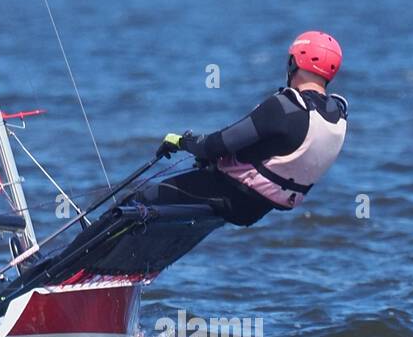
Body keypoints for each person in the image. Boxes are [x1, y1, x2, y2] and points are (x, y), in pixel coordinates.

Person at [145, 31, 349, 226]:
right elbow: (279, 148)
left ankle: (117, 258)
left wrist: (181, 141)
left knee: (143, 199)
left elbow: (215, 145)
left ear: (293, 62)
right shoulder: (339, 117)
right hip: (257, 208)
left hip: (232, 195)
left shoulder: (285, 107)